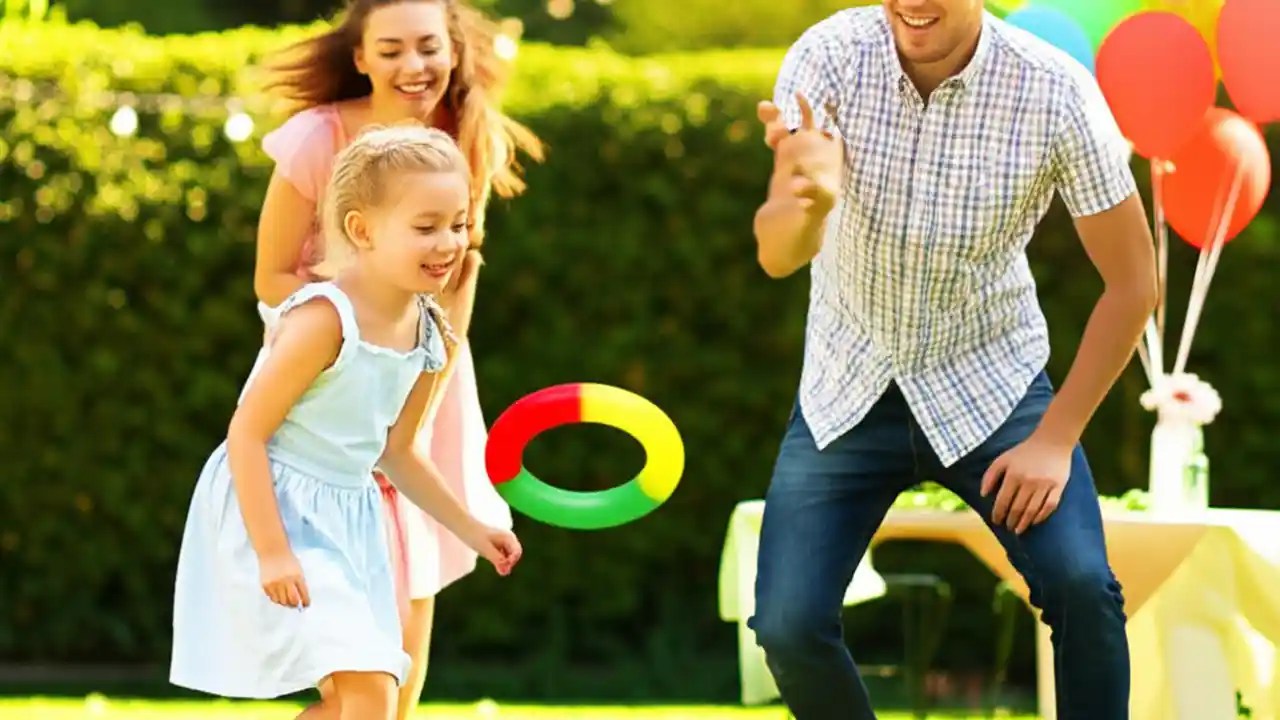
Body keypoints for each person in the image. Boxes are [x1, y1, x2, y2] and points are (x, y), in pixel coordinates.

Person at [749, 2, 1158, 718]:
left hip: (993, 389)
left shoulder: (1054, 91)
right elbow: (777, 255)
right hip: (850, 384)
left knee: (1083, 589)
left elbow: (1133, 286)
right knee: (788, 626)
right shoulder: (828, 59)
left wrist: (1055, 440)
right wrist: (810, 204)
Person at [170, 124, 522, 720]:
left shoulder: (431, 332)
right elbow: (246, 434)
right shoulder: (324, 321)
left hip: (350, 517)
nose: (449, 243)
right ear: (361, 230)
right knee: (369, 694)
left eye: (458, 224)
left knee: (362, 703)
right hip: (275, 503)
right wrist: (274, 551)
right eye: (425, 226)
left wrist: (470, 526)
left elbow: (398, 451)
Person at [254, 1, 542, 715]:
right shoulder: (317, 141)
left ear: (454, 50)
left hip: (421, 388)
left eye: (427, 48)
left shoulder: (465, 138)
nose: (413, 67)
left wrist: (424, 378)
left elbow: (458, 289)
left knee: (403, 680)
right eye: (391, 50)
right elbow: (270, 279)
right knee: (359, 678)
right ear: (360, 58)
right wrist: (365, 335)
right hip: (332, 383)